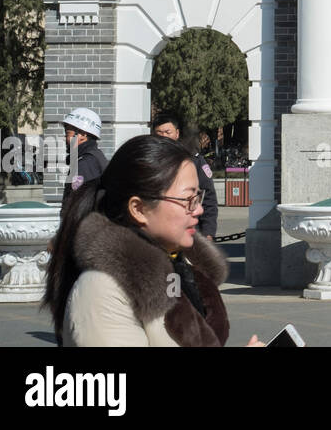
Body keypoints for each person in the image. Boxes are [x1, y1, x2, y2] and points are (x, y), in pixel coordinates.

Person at [43, 134, 263, 346]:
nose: (199, 209)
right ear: (138, 209)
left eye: (199, 196)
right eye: (188, 199)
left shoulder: (181, 270)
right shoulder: (102, 289)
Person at [152, 112, 220, 239]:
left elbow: (208, 197)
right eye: (159, 133)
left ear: (177, 134)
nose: (164, 137)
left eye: (168, 132)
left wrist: (208, 231)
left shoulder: (194, 161)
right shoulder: (148, 160)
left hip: (189, 230)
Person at [61, 108, 108, 200]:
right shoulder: (94, 157)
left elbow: (76, 205)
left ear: (82, 134)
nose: (65, 139)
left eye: (67, 134)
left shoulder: (84, 164)